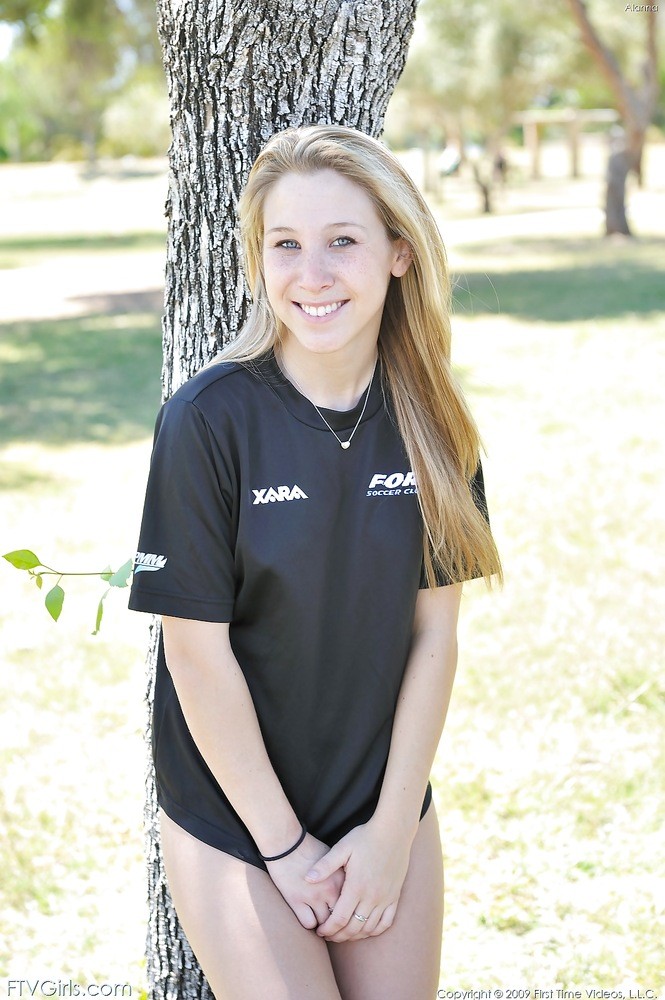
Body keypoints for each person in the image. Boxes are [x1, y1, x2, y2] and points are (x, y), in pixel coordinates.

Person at [129, 124, 501, 1000]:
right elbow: (194, 652)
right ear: (259, 261)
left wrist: (390, 835)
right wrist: (285, 848)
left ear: (399, 254)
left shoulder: (435, 424)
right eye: (285, 245)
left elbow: (434, 641)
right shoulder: (207, 420)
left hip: (380, 802)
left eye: (343, 241)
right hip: (235, 813)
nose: (313, 274)